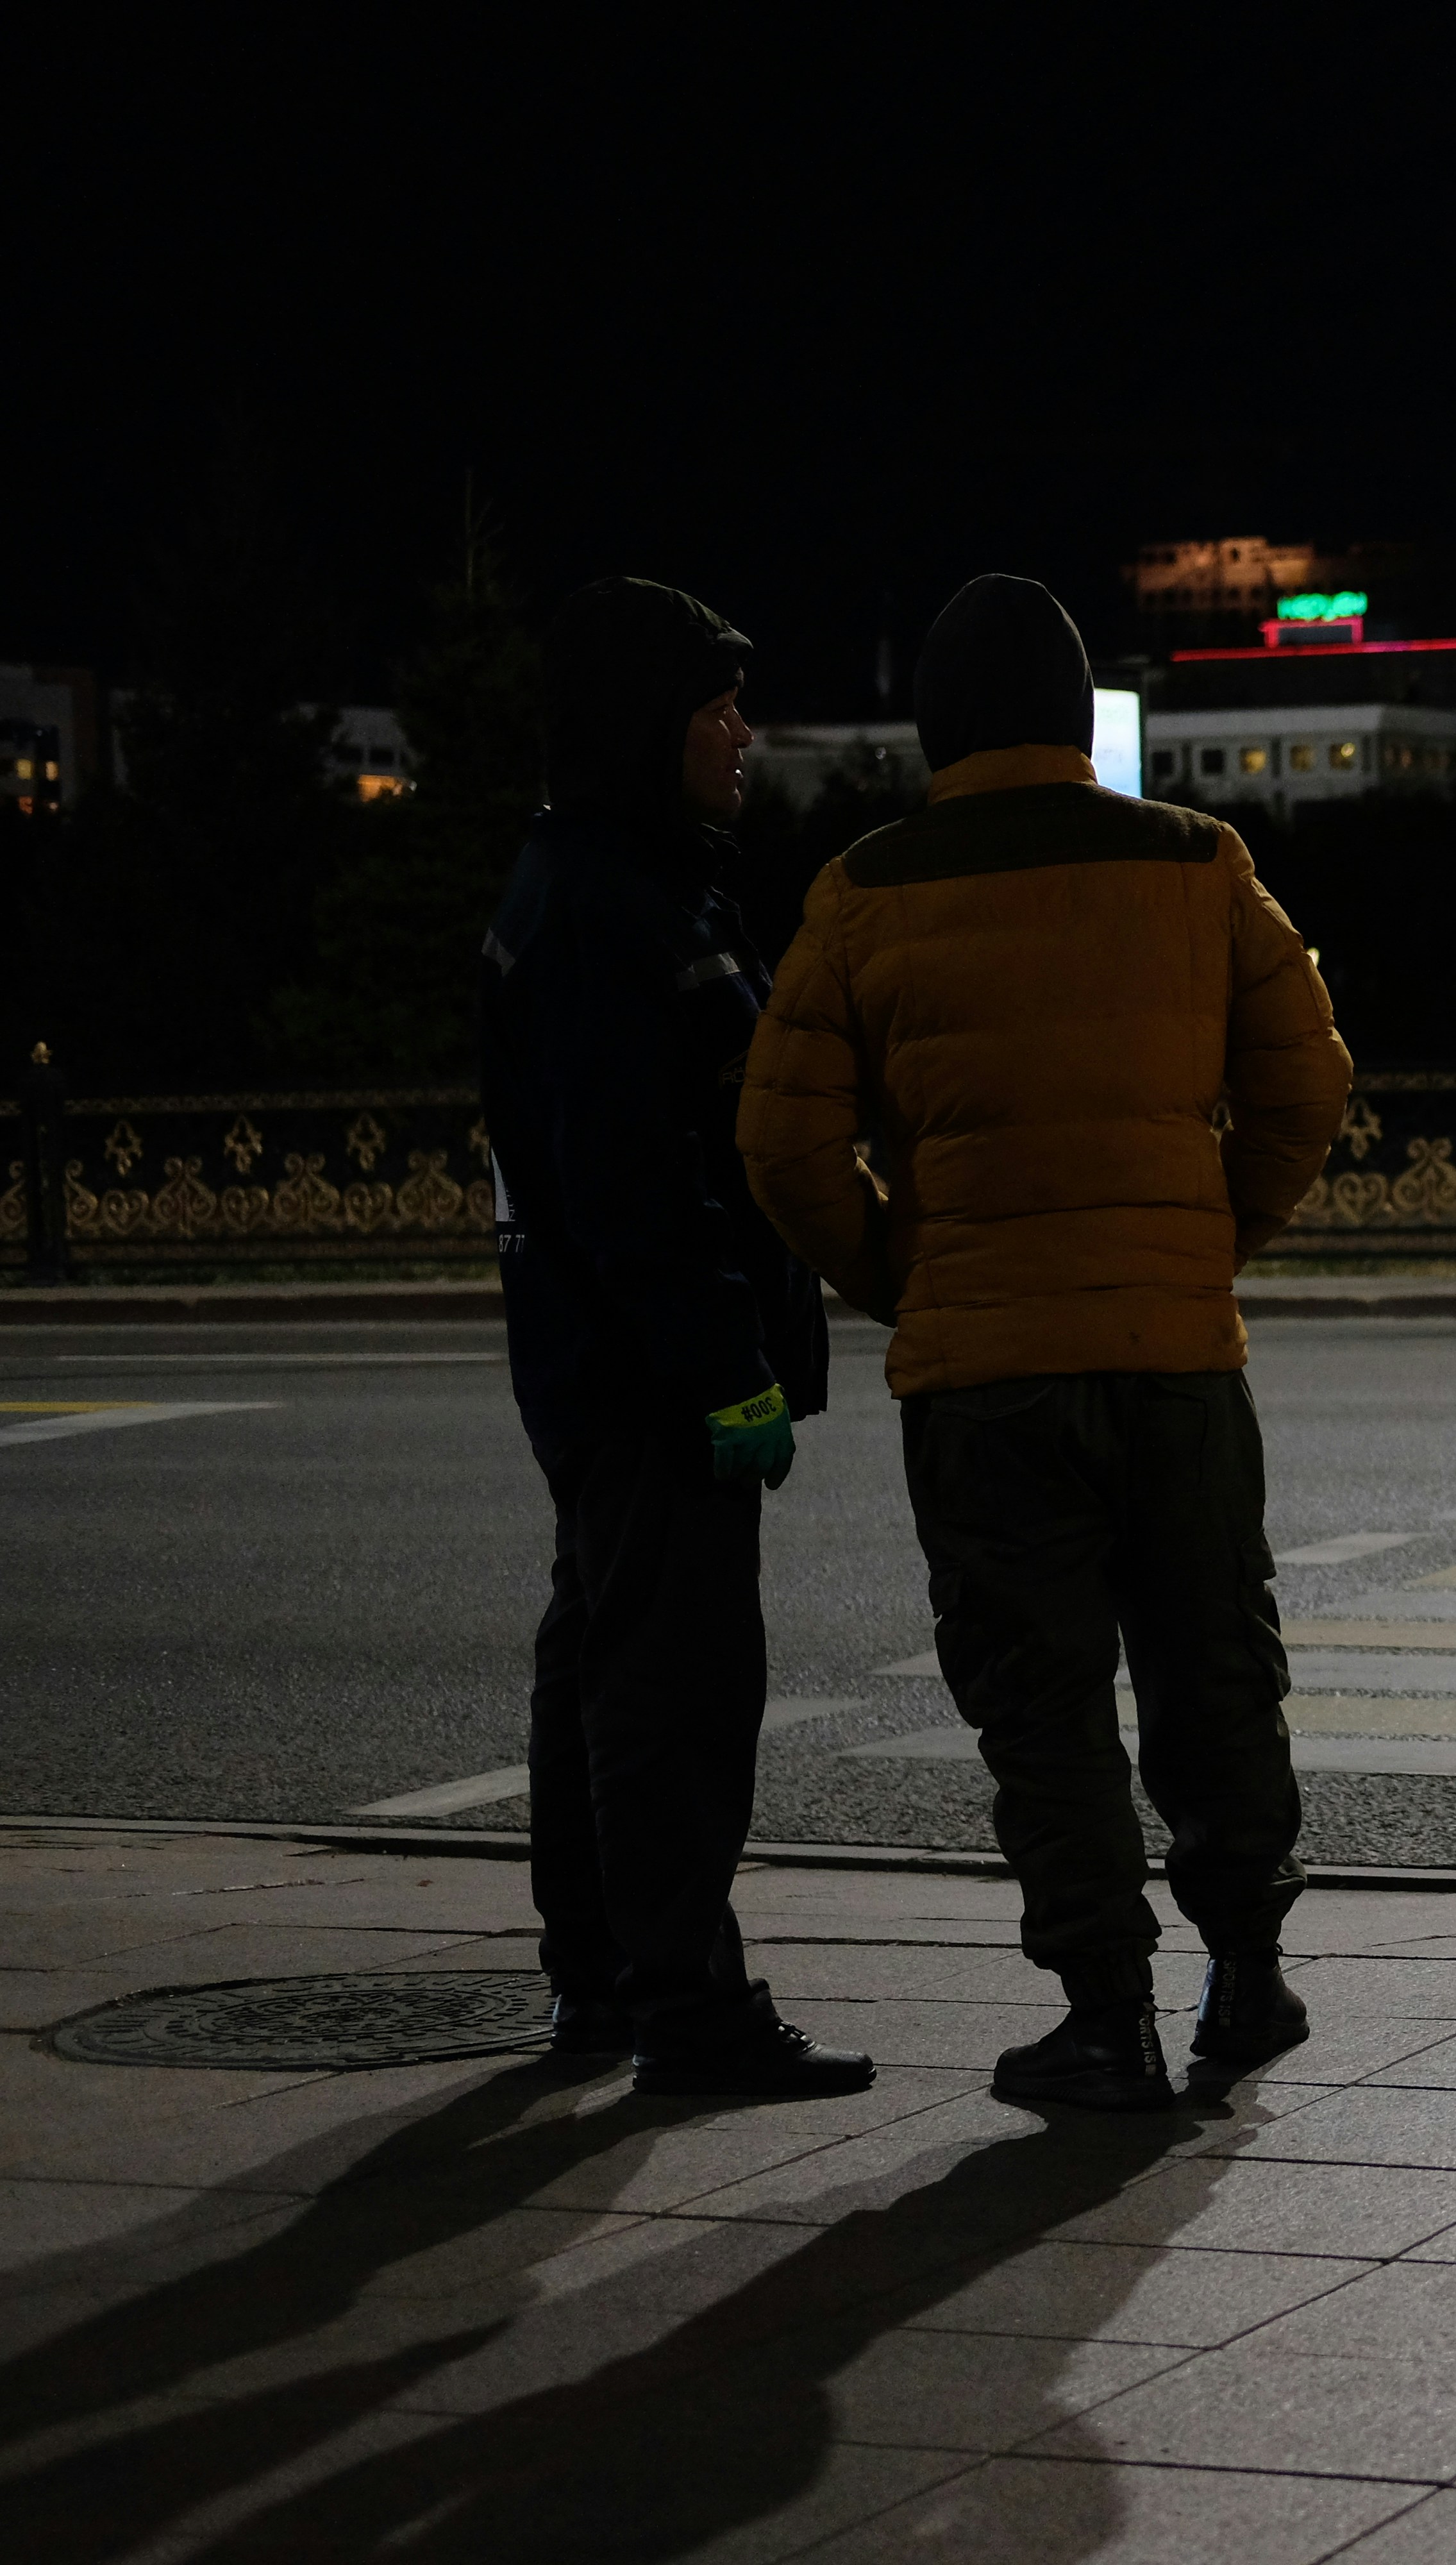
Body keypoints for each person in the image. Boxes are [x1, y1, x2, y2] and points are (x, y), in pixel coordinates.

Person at [738, 575, 1352, 2111]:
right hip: (1176, 1359)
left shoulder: (863, 891)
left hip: (987, 1376)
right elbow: (1308, 1086)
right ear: (1081, 719)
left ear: (934, 727)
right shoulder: (1200, 862)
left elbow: (786, 1148)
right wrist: (1199, 1237)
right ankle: (1250, 1975)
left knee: (1042, 1694)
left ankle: (1106, 2016)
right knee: (1214, 1663)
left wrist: (919, 1273)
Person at [480, 577, 874, 2098]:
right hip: (650, 1378)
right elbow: (638, 1183)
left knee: (604, 1665)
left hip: (613, 1371)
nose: (744, 735)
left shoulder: (631, 879)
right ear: (648, 729)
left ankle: (602, 1979)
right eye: (717, 709)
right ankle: (688, 2011)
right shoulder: (604, 909)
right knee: (675, 1692)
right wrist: (728, 1374)